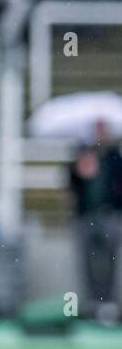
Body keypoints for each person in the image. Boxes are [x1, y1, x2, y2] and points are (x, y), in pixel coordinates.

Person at [68, 120, 122, 323]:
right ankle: (92, 302)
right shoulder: (81, 154)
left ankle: (108, 303)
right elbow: (71, 183)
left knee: (110, 261)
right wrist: (81, 170)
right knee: (87, 261)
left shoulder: (115, 156)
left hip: (109, 215)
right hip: (86, 216)